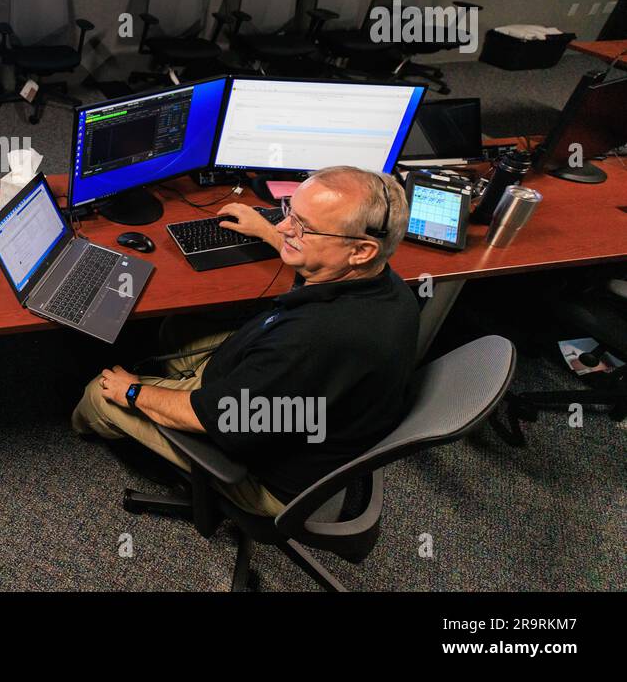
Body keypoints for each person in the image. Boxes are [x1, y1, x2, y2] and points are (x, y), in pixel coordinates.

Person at [72, 166, 420, 516]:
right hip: (292, 405)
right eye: (289, 213)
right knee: (179, 328)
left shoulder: (314, 341)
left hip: (264, 471)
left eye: (303, 227)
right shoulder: (387, 286)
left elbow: (216, 416)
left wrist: (132, 392)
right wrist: (266, 230)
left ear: (360, 250)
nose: (285, 228)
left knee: (99, 394)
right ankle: (172, 390)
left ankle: (86, 431)